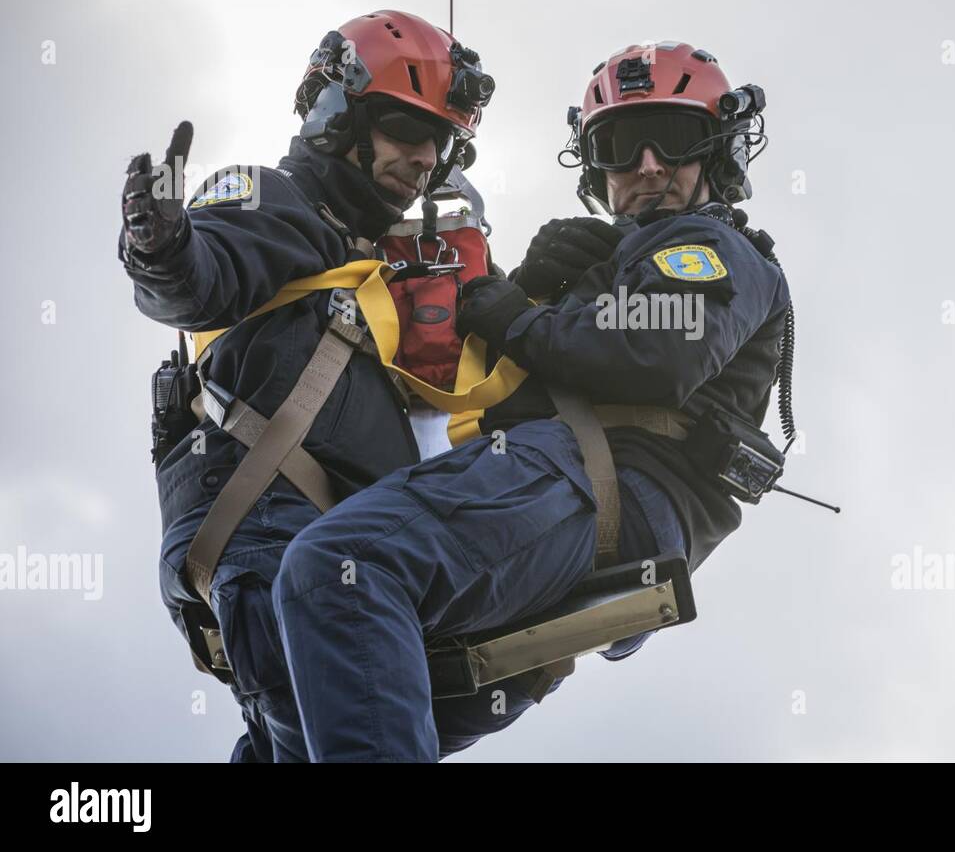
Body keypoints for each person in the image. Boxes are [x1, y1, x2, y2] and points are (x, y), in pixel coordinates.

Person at [270, 40, 793, 761]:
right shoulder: (618, 265)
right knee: (305, 711)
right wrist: (530, 289)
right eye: (618, 145)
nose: (646, 166)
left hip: (598, 488)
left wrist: (519, 315)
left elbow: (657, 350)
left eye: (671, 140)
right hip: (566, 518)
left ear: (718, 152)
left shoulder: (711, 247)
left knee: (341, 565)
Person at [119, 9, 504, 762]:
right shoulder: (277, 203)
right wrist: (160, 247)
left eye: (442, 141)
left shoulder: (403, 269)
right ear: (335, 116)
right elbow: (203, 279)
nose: (425, 158)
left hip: (337, 577)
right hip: (275, 545)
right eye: (403, 127)